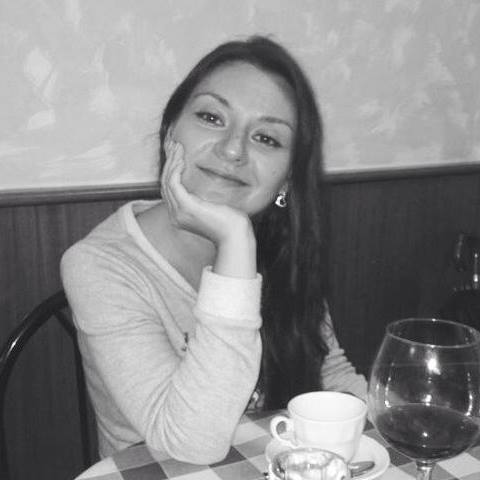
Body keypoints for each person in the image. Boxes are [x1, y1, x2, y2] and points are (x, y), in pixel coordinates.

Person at [61, 35, 366, 465]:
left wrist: (380, 421)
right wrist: (235, 243)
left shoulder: (283, 246)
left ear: (287, 179)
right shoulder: (98, 265)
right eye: (211, 117)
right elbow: (189, 443)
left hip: (271, 463)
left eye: (266, 138)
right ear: (171, 132)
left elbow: (330, 373)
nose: (233, 149)